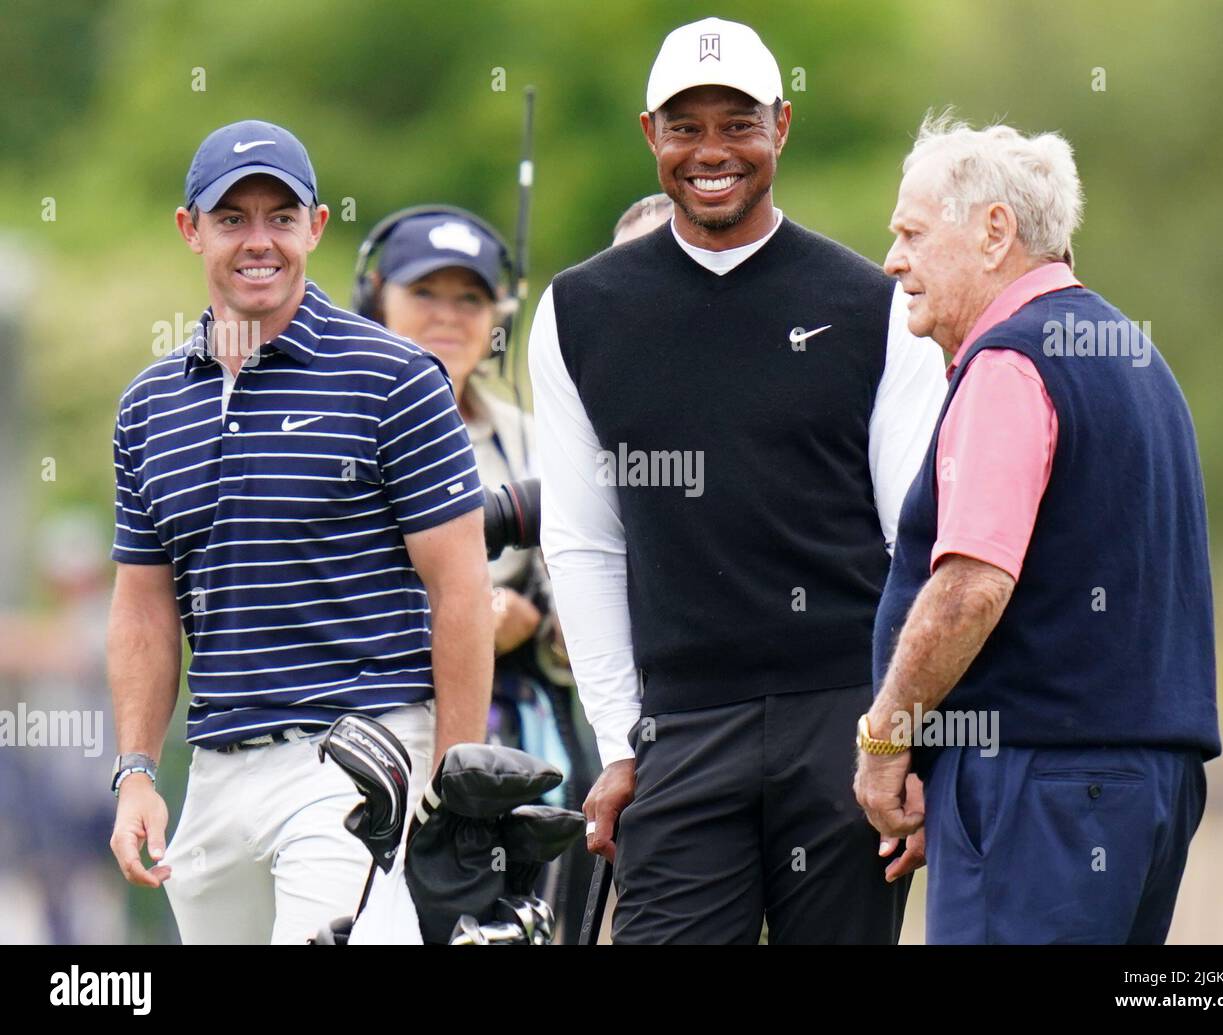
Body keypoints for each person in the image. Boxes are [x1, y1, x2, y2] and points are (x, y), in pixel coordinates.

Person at [529, 18, 948, 944]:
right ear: (651, 135)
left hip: (844, 722)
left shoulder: (871, 305)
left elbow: (913, 543)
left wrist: (902, 737)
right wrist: (620, 739)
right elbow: (586, 543)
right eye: (686, 126)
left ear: (782, 127)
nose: (712, 151)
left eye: (738, 123)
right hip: (679, 727)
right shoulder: (578, 313)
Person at [106, 120, 494, 944]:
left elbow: (459, 587)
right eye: (232, 218)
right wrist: (136, 772)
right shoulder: (148, 407)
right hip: (217, 769)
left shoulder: (394, 376)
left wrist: (457, 789)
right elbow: (143, 607)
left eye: (281, 217)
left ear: (316, 226)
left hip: (360, 753)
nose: (259, 241)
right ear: (190, 230)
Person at [855, 112, 1220, 944]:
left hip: (1039, 785)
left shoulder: (1010, 362)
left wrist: (886, 738)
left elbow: (972, 584)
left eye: (911, 232)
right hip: (1141, 788)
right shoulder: (1137, 356)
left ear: (994, 233)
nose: (893, 261)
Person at [357, 206, 598, 940]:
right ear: (376, 298)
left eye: (469, 298)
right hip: (373, 724)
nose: (448, 316)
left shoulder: (533, 438)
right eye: (424, 293)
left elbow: (592, 583)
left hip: (518, 723)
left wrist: (534, 623)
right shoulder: (340, 420)